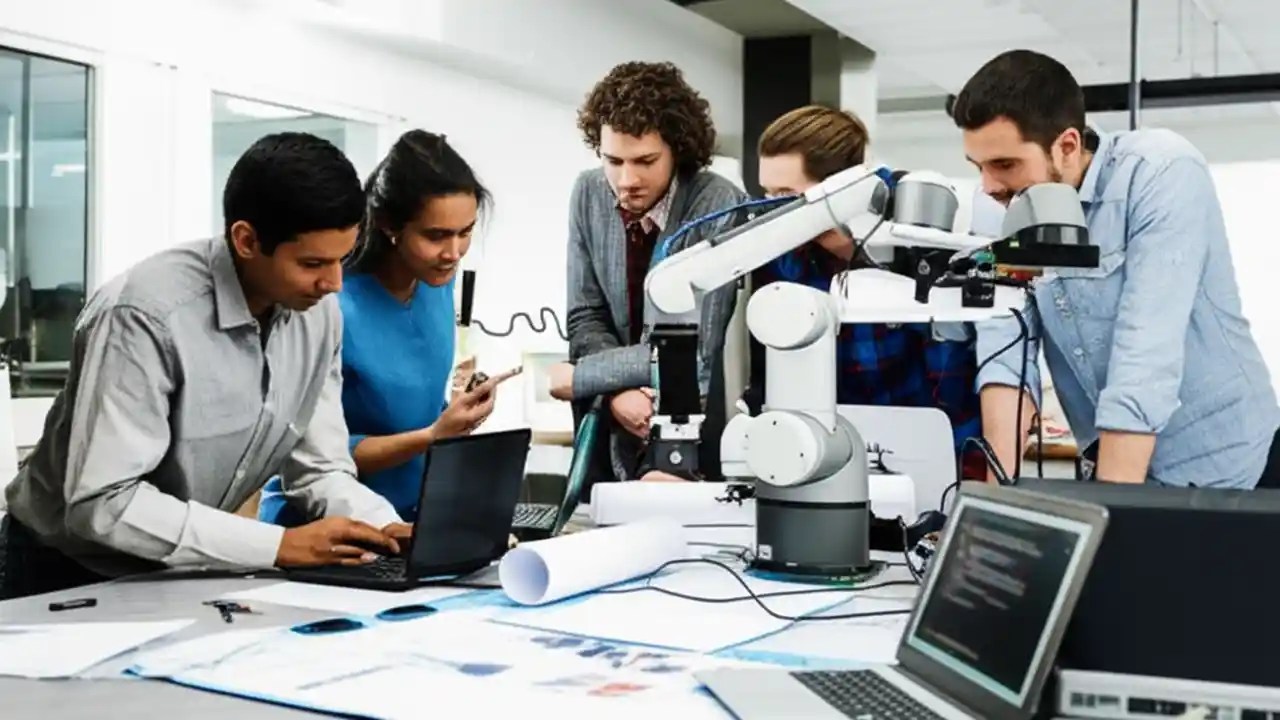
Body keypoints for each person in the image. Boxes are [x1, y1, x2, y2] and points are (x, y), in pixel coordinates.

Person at [0, 133, 413, 600]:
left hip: (178, 567)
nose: (334, 283)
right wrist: (280, 546)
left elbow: (318, 468)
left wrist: (386, 527)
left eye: (344, 259)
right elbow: (104, 504)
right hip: (64, 568)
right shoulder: (145, 315)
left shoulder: (317, 315)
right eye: (313, 262)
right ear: (247, 240)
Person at [952, 49, 1280, 487]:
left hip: (1230, 463)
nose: (988, 186)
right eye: (979, 167)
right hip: (1114, 461)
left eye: (1005, 165)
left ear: (1067, 145)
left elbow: (1146, 352)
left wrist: (1116, 514)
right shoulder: (1001, 204)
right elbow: (1005, 353)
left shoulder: (1159, 172)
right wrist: (994, 496)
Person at [257, 130, 515, 525]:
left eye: (465, 232)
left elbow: (420, 410)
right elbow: (315, 461)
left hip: (410, 518)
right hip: (322, 524)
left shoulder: (437, 285)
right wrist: (432, 437)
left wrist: (456, 412)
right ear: (388, 224)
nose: (453, 252)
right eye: (436, 236)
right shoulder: (328, 304)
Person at [748, 105, 986, 480]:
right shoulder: (782, 260)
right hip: (831, 455)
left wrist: (965, 480)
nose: (771, 210)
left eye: (786, 195)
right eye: (766, 193)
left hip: (933, 446)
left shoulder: (916, 236)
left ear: (842, 188)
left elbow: (951, 376)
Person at [549, 61, 747, 485]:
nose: (627, 179)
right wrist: (615, 392)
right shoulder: (587, 192)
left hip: (683, 422)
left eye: (645, 161)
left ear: (678, 149)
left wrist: (582, 378)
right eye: (613, 160)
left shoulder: (718, 204)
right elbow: (585, 318)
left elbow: (690, 349)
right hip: (605, 417)